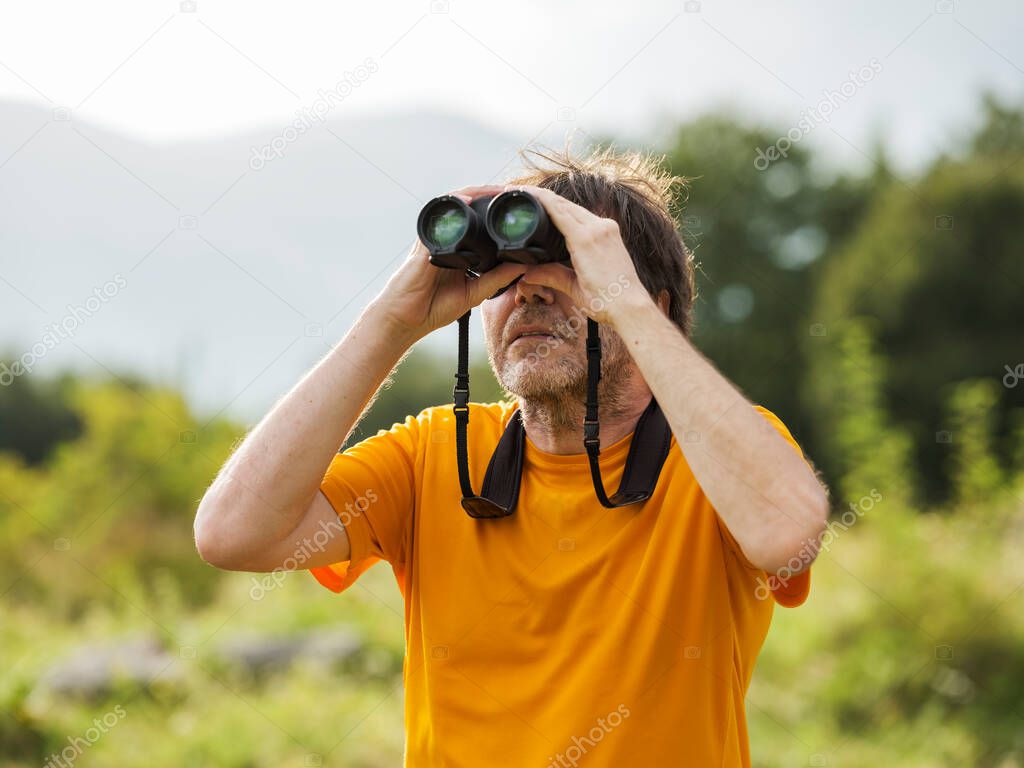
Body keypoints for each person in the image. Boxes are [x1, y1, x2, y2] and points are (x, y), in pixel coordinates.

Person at [194, 146, 830, 767]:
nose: (530, 296)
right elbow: (233, 533)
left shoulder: (714, 453)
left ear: (652, 306)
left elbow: (786, 537)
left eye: (570, 272)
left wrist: (628, 303)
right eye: (506, 279)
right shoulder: (433, 455)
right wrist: (394, 320)